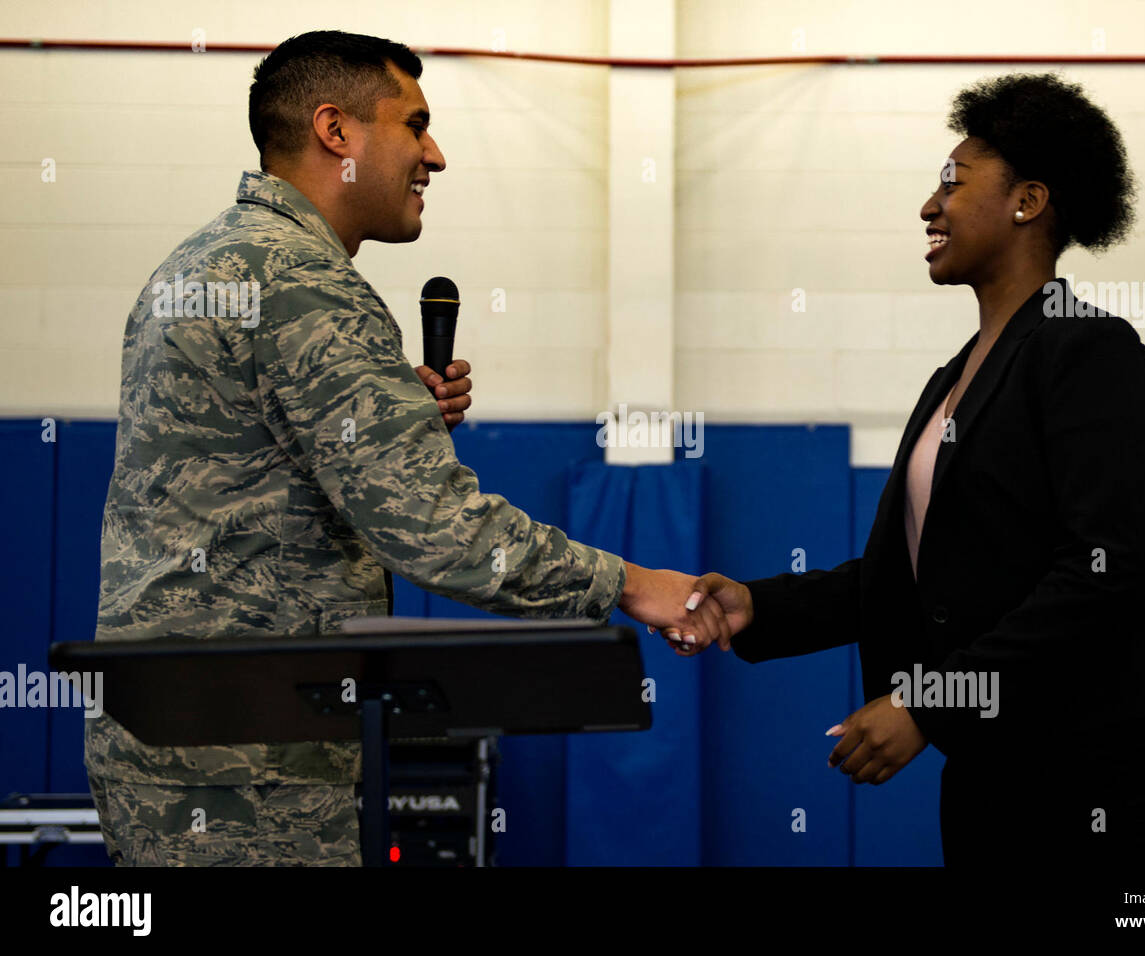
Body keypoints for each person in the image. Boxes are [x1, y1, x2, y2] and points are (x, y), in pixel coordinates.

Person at [86, 30, 726, 866]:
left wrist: (381, 425)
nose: (436, 155)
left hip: (171, 736)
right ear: (336, 131)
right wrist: (632, 585)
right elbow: (436, 527)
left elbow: (236, 471)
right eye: (415, 125)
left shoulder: (197, 264)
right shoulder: (305, 283)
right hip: (250, 760)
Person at [663, 73, 1145, 867]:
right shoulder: (953, 378)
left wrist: (929, 702)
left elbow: (1103, 575)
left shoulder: (1090, 349)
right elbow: (905, 580)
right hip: (997, 746)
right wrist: (759, 605)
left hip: (1105, 752)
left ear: (1028, 202)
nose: (930, 205)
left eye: (953, 183)